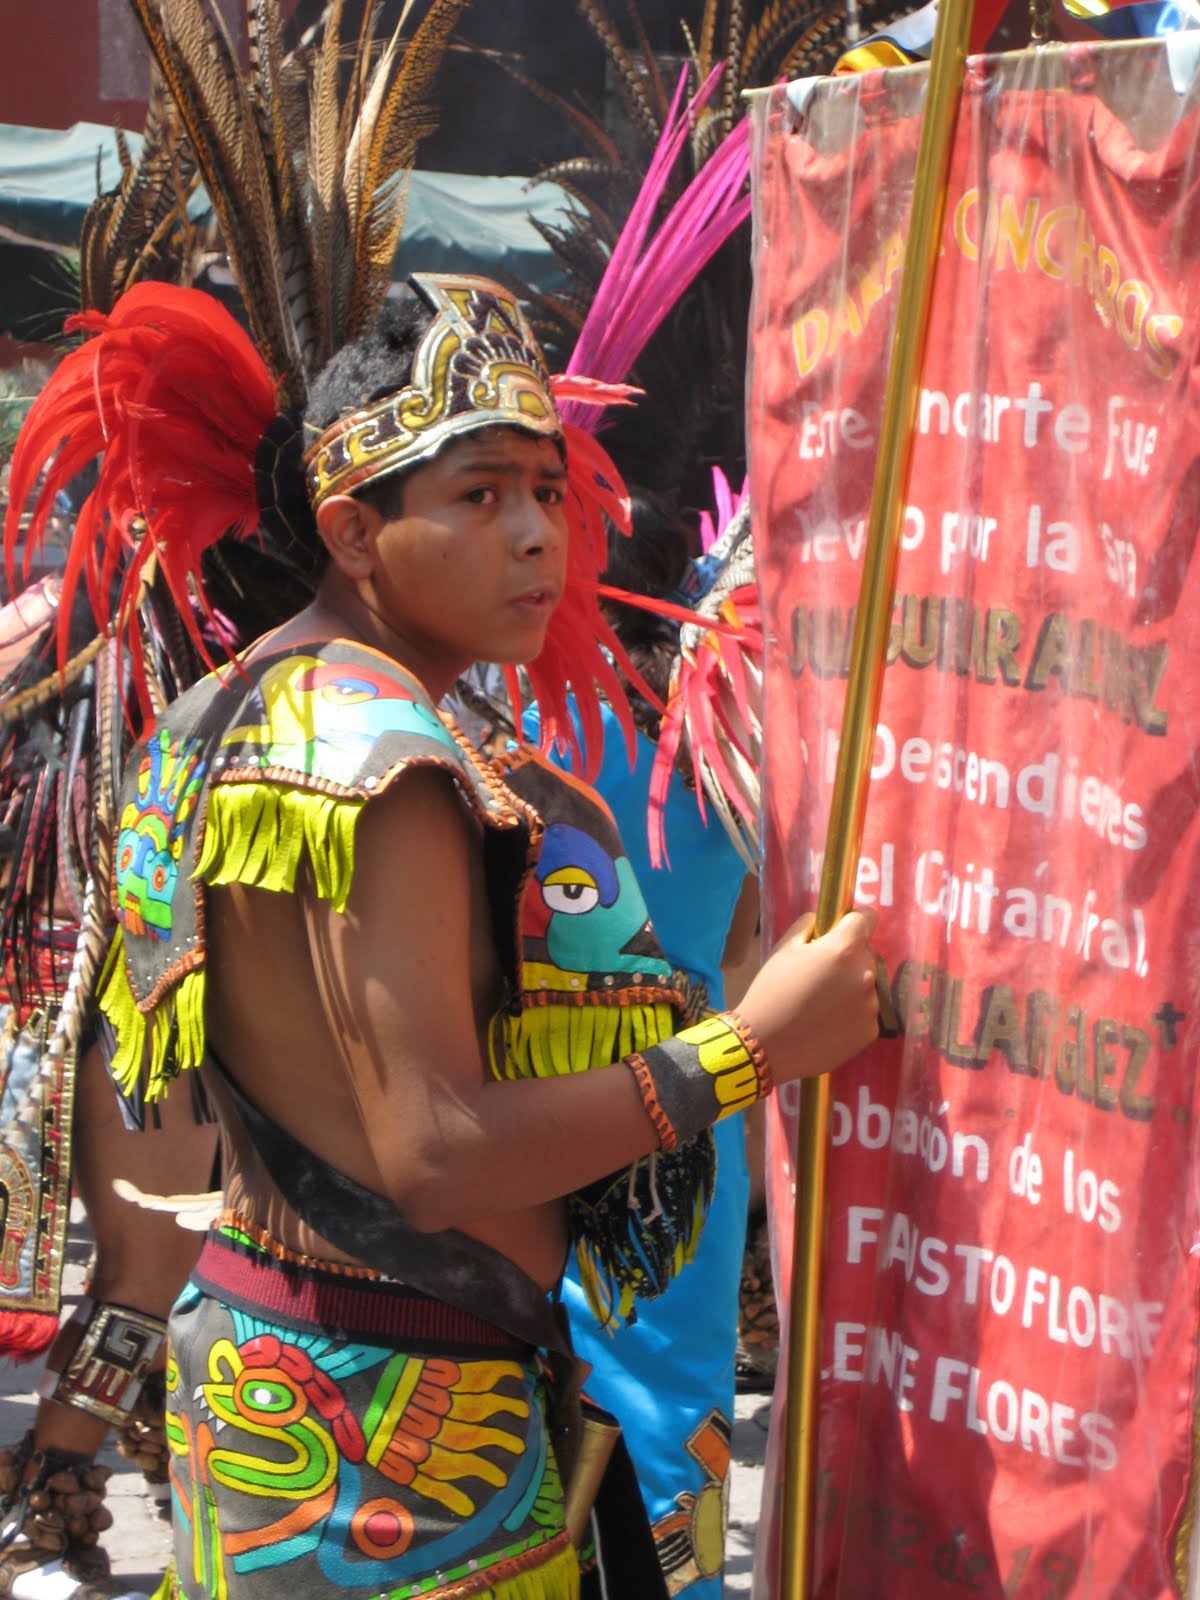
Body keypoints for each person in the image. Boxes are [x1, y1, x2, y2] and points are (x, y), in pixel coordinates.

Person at [11, 270, 877, 1600]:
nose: (539, 535)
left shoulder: (228, 707)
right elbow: (435, 1155)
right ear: (356, 534)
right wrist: (758, 1048)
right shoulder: (389, 761)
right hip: (395, 1455)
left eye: (544, 489)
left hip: (271, 1382)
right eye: (478, 497)